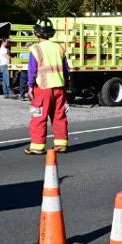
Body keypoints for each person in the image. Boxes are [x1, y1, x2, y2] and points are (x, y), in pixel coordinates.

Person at [25, 18, 70, 154]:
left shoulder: (35, 49)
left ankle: (37, 146)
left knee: (39, 117)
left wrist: (30, 86)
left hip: (42, 88)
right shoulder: (59, 48)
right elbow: (66, 69)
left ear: (36, 32)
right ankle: (61, 144)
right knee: (59, 116)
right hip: (59, 87)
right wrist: (65, 85)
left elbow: (32, 70)